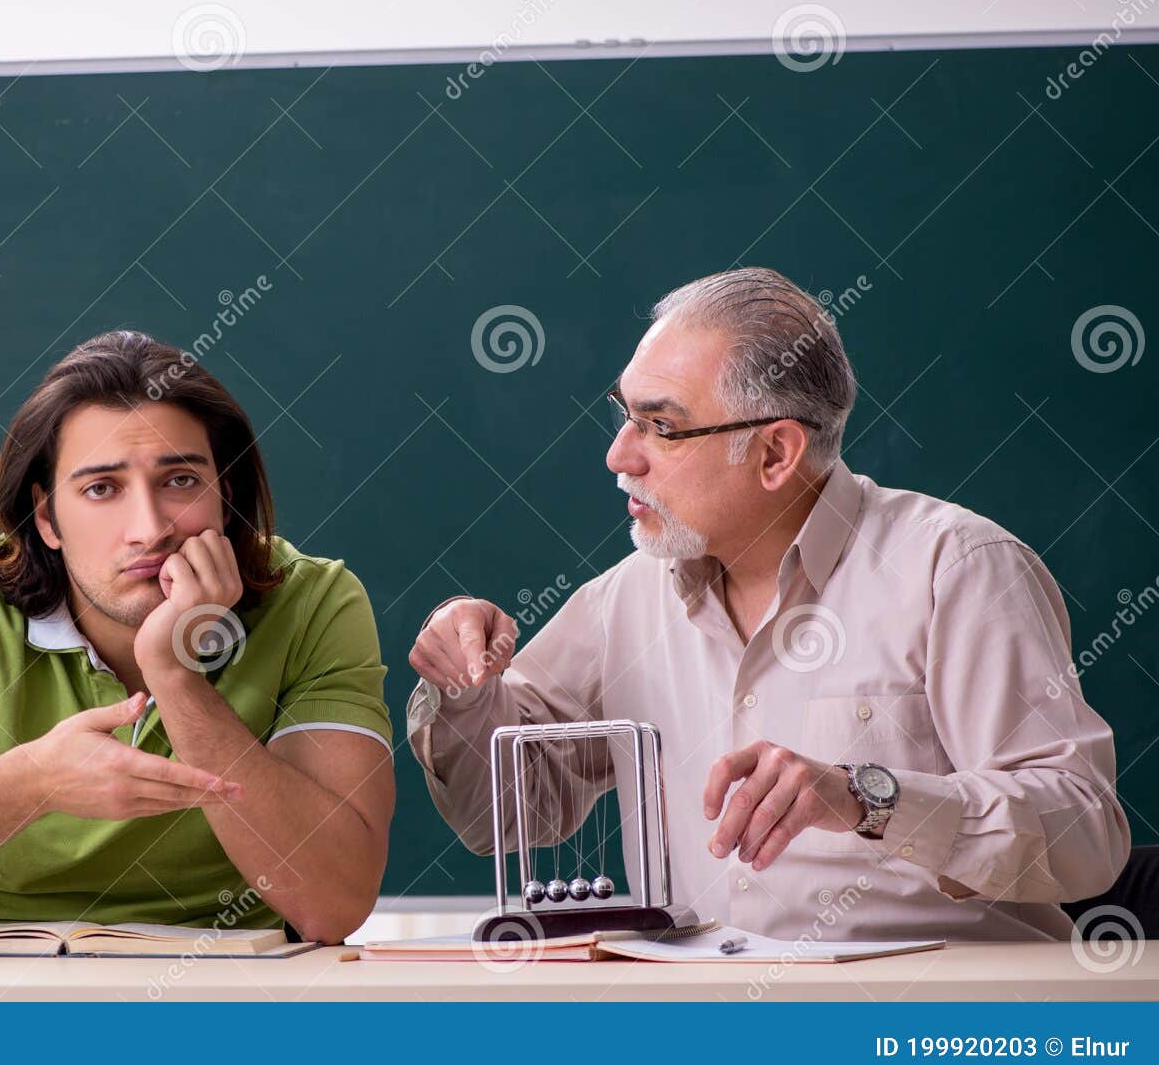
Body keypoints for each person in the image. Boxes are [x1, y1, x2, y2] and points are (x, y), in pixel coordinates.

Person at [406, 267, 1130, 941]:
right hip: (714, 1033)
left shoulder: (958, 570)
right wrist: (462, 686)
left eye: (661, 426)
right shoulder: (623, 601)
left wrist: (868, 797)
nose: (619, 455)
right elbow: (500, 814)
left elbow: (1086, 835)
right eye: (624, 415)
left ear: (776, 454)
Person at [0, 331, 394, 943]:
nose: (149, 529)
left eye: (179, 481)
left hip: (217, 995)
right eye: (101, 488)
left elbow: (331, 906)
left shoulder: (312, 602)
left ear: (224, 496)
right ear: (46, 519)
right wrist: (32, 782)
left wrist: (175, 678)